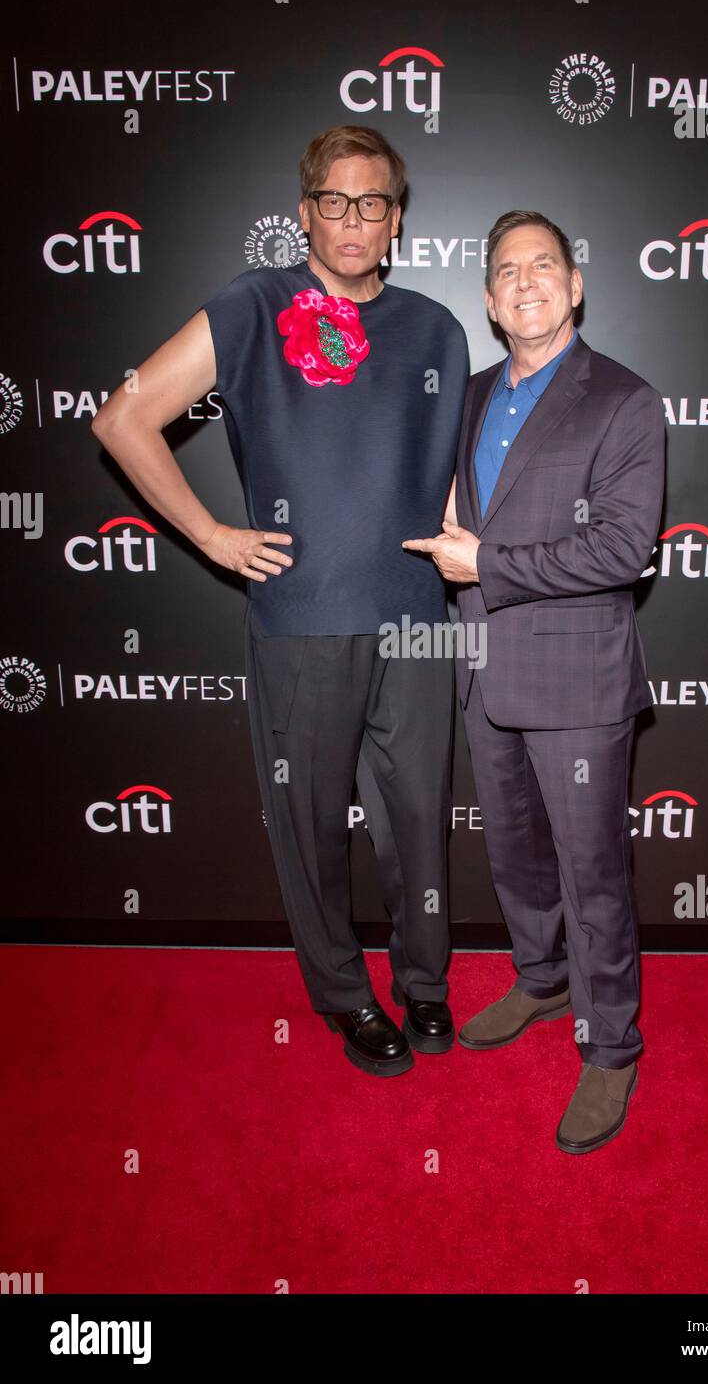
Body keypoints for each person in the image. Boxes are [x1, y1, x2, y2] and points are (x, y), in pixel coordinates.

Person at [92, 125, 469, 1078]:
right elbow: (122, 416)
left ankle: (425, 980)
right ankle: (345, 995)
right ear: (305, 212)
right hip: (301, 619)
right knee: (309, 831)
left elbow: (445, 473)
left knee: (419, 815)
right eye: (334, 201)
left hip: (419, 620)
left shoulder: (439, 327)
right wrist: (213, 536)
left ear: (396, 219)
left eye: (373, 202)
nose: (353, 219)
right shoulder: (254, 305)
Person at [404, 209, 665, 1150]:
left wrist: (491, 565)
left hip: (579, 681)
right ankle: (542, 980)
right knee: (514, 853)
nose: (526, 282)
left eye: (543, 265)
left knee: (593, 873)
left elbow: (627, 547)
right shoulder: (468, 395)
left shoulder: (623, 400)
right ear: (487, 299)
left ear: (576, 283)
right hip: (484, 668)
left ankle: (611, 1048)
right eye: (507, 270)